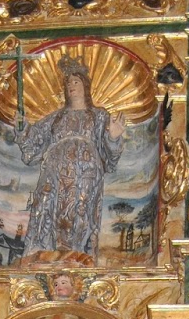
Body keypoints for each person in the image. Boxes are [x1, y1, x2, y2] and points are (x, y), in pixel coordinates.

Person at [17, 58, 126, 261]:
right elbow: (32, 146)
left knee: (81, 205)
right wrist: (23, 129)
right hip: (54, 169)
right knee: (46, 202)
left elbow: (109, 157)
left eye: (75, 81)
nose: (71, 86)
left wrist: (113, 137)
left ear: (85, 85)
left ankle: (78, 252)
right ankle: (42, 251)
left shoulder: (99, 116)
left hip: (85, 170)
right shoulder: (56, 118)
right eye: (68, 83)